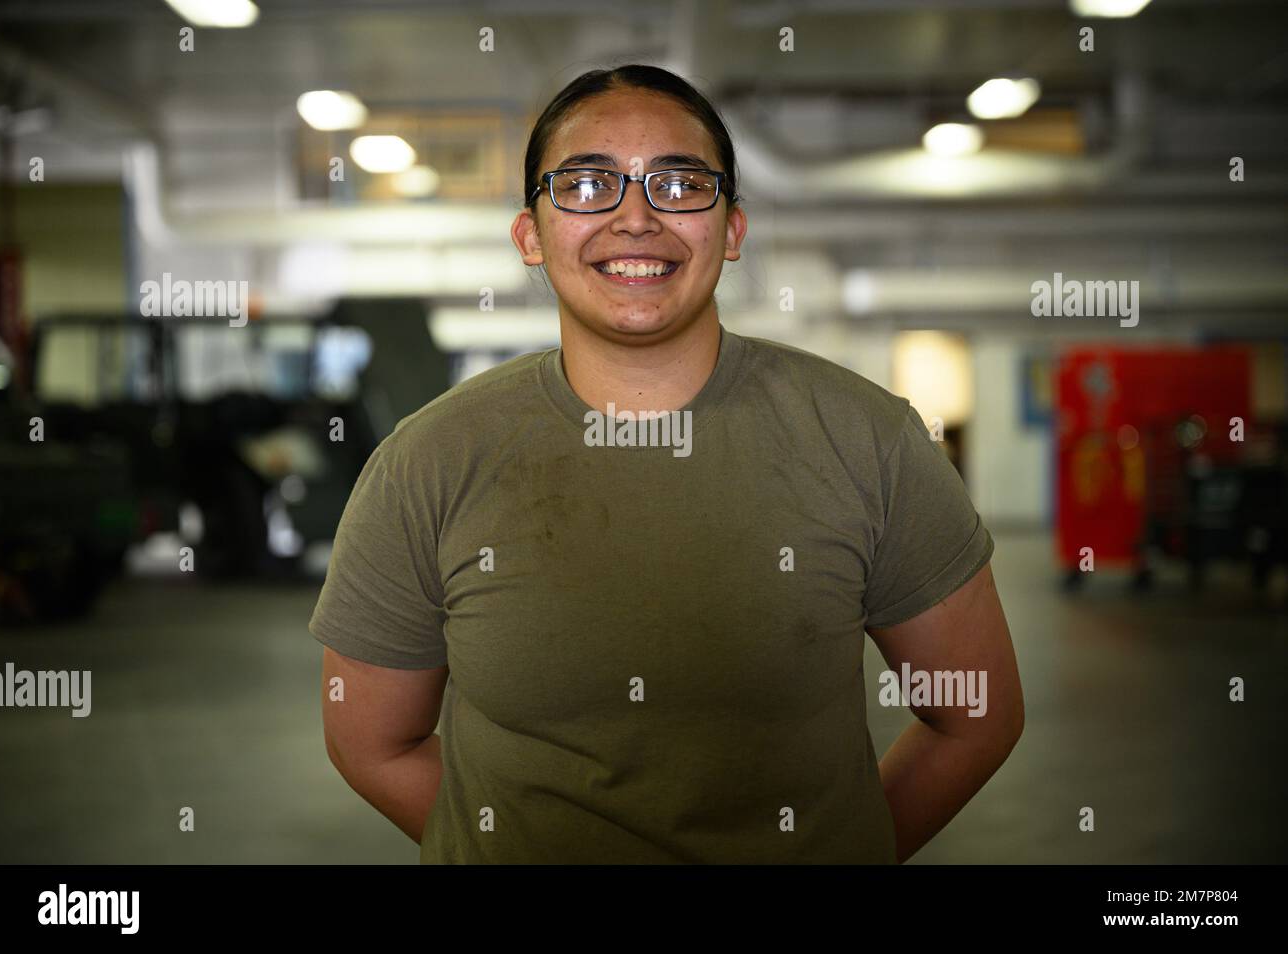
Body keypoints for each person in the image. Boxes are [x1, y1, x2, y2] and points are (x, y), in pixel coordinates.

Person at [310, 64, 1024, 864]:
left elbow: (976, 714)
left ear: (732, 229)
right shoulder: (427, 462)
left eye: (679, 184)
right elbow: (373, 744)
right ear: (531, 236)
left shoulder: (869, 440)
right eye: (587, 185)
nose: (636, 219)